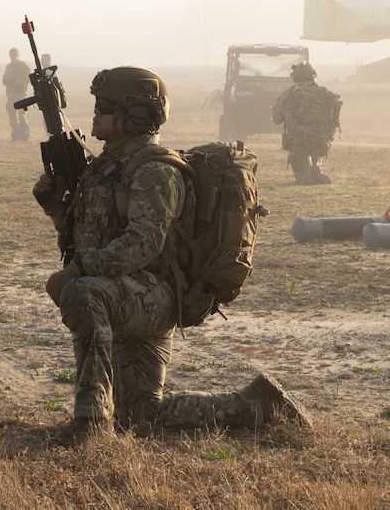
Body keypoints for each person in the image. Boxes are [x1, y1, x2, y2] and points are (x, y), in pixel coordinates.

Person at [32, 66, 310, 442]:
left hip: (154, 296)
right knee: (141, 416)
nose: (95, 113)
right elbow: (84, 238)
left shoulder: (154, 171)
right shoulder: (104, 166)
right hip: (124, 293)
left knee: (83, 292)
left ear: (136, 116)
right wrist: (55, 207)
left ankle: (91, 423)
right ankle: (257, 405)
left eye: (104, 106)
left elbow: (142, 245)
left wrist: (79, 270)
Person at [271, 60, 341, 185]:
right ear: (313, 74)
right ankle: (315, 171)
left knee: (302, 176)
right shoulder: (325, 93)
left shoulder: (290, 94)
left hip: (299, 143)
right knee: (312, 165)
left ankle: (307, 176)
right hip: (321, 142)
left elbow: (276, 119)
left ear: (295, 76)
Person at [3, 47, 31, 142]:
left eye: (15, 55)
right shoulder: (8, 67)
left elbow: (29, 79)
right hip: (11, 96)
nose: (13, 57)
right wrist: (8, 81)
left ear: (18, 55)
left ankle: (24, 135)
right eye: (11, 55)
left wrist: (19, 83)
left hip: (21, 95)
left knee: (22, 116)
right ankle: (16, 134)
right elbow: (4, 80)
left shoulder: (23, 66)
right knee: (12, 117)